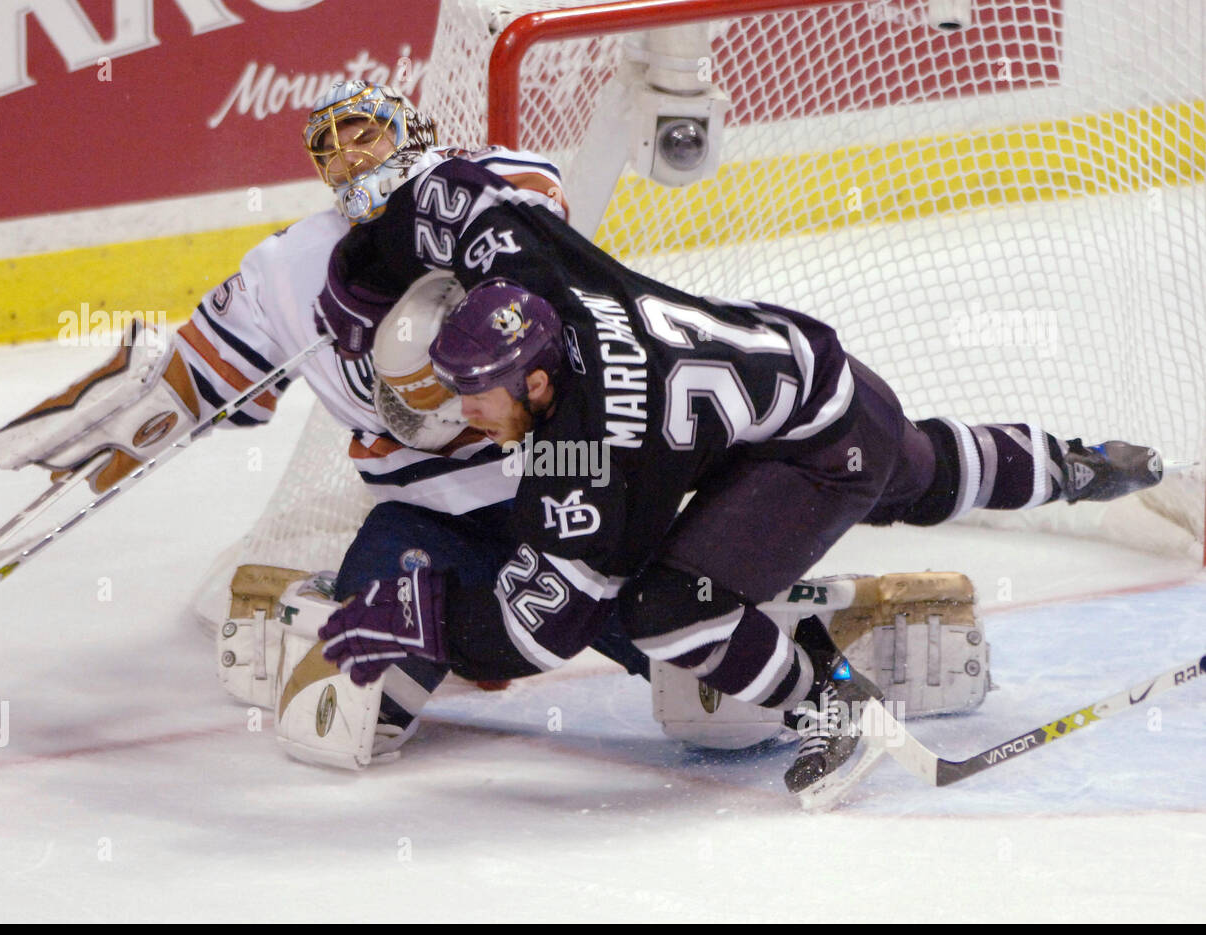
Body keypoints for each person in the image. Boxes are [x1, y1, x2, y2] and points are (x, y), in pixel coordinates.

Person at [311, 151, 1164, 794]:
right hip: (809, 371)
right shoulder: (539, 279)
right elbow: (447, 196)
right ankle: (1075, 465)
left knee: (667, 609)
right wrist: (362, 275)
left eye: (476, 396)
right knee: (923, 469)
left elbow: (546, 632)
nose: (464, 415)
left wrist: (436, 618)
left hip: (814, 448)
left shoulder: (603, 452)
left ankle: (832, 706)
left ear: (536, 379)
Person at [0, 80, 646, 762]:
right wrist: (139, 411)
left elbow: (533, 217)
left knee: (715, 689)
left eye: (364, 134)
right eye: (327, 149)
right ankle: (428, 625)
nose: (347, 158)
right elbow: (193, 381)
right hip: (431, 522)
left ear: (412, 131)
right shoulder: (289, 271)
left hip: (566, 489)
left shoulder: (490, 186)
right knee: (340, 718)